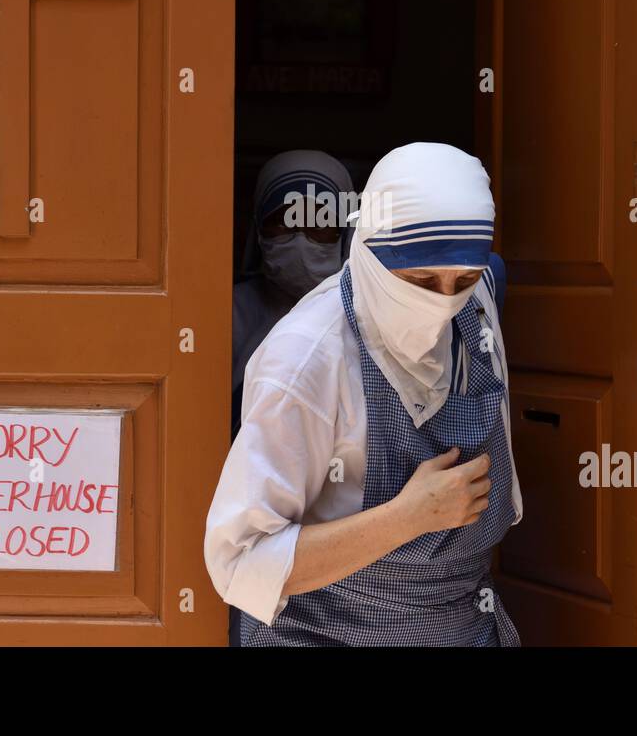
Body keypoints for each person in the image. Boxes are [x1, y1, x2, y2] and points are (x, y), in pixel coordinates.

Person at [205, 142, 521, 646]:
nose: (443, 304)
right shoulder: (305, 358)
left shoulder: (479, 297)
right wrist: (407, 518)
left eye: (461, 279)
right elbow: (239, 564)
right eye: (419, 281)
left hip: (461, 627)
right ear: (369, 252)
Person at [231, 150, 356, 440]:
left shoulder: (368, 315)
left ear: (344, 231)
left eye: (319, 224)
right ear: (260, 229)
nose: (301, 238)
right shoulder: (232, 312)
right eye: (284, 222)